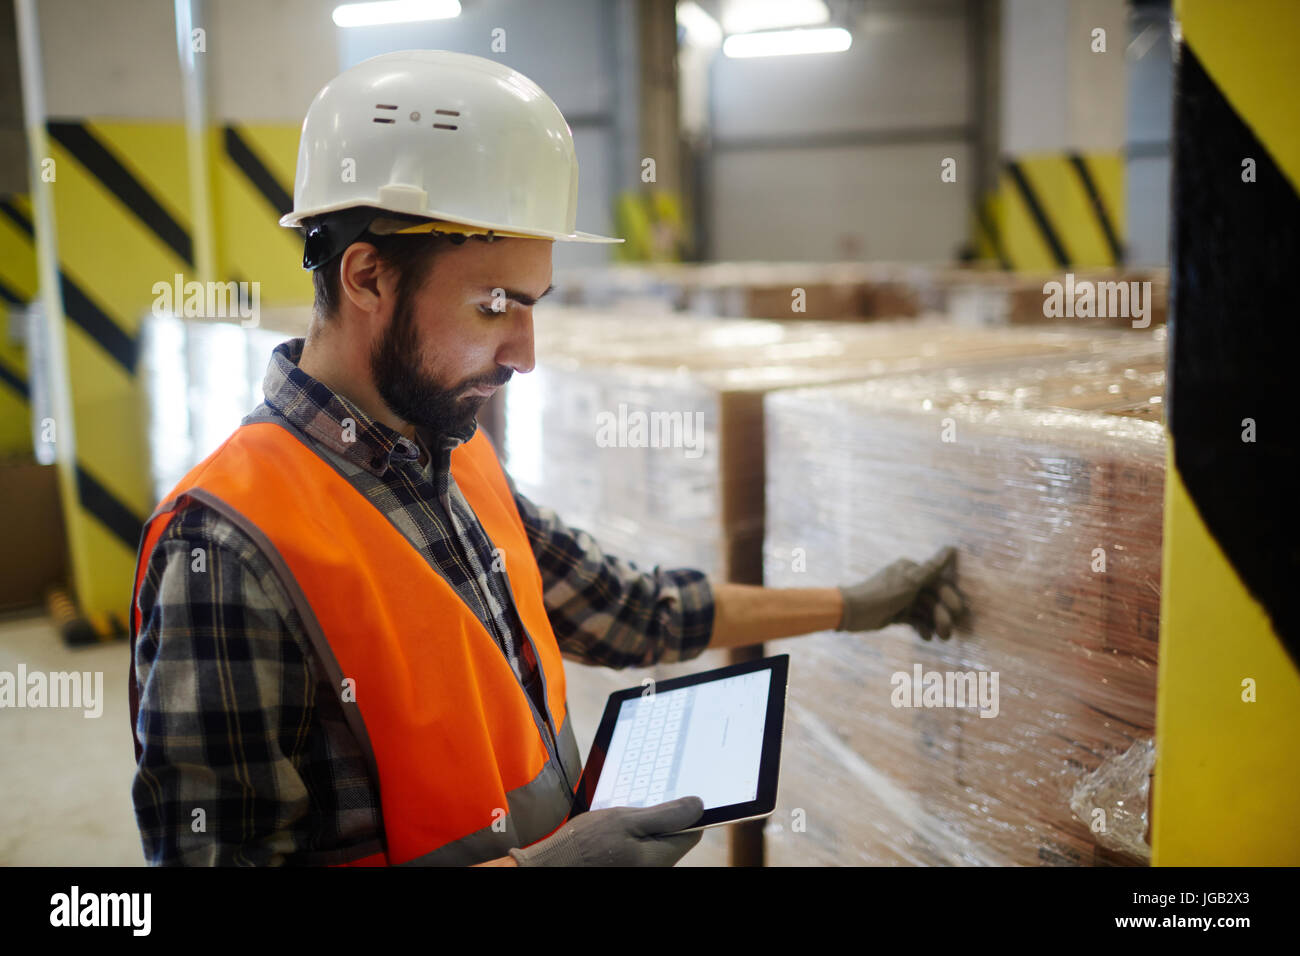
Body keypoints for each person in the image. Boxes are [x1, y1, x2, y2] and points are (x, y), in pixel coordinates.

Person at [128, 50, 965, 867]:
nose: (525, 353)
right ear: (367, 276)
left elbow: (635, 610)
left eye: (535, 306)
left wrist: (853, 605)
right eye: (496, 305)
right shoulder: (227, 549)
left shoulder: (452, 460)